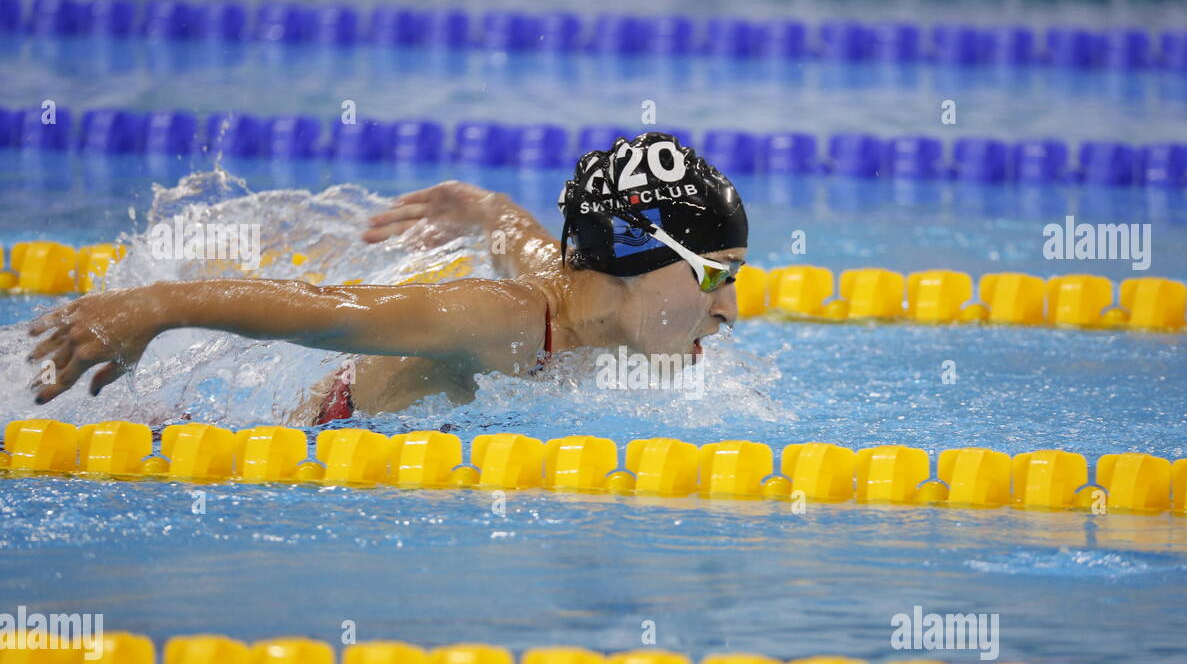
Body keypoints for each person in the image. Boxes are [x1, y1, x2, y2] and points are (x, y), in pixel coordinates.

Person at [26, 132, 748, 422]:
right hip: (314, 449)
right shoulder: (500, 320)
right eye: (718, 276)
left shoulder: (588, 291)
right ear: (634, 265)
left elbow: (524, 241)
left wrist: (481, 206)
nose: (732, 311)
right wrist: (152, 306)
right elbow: (326, 311)